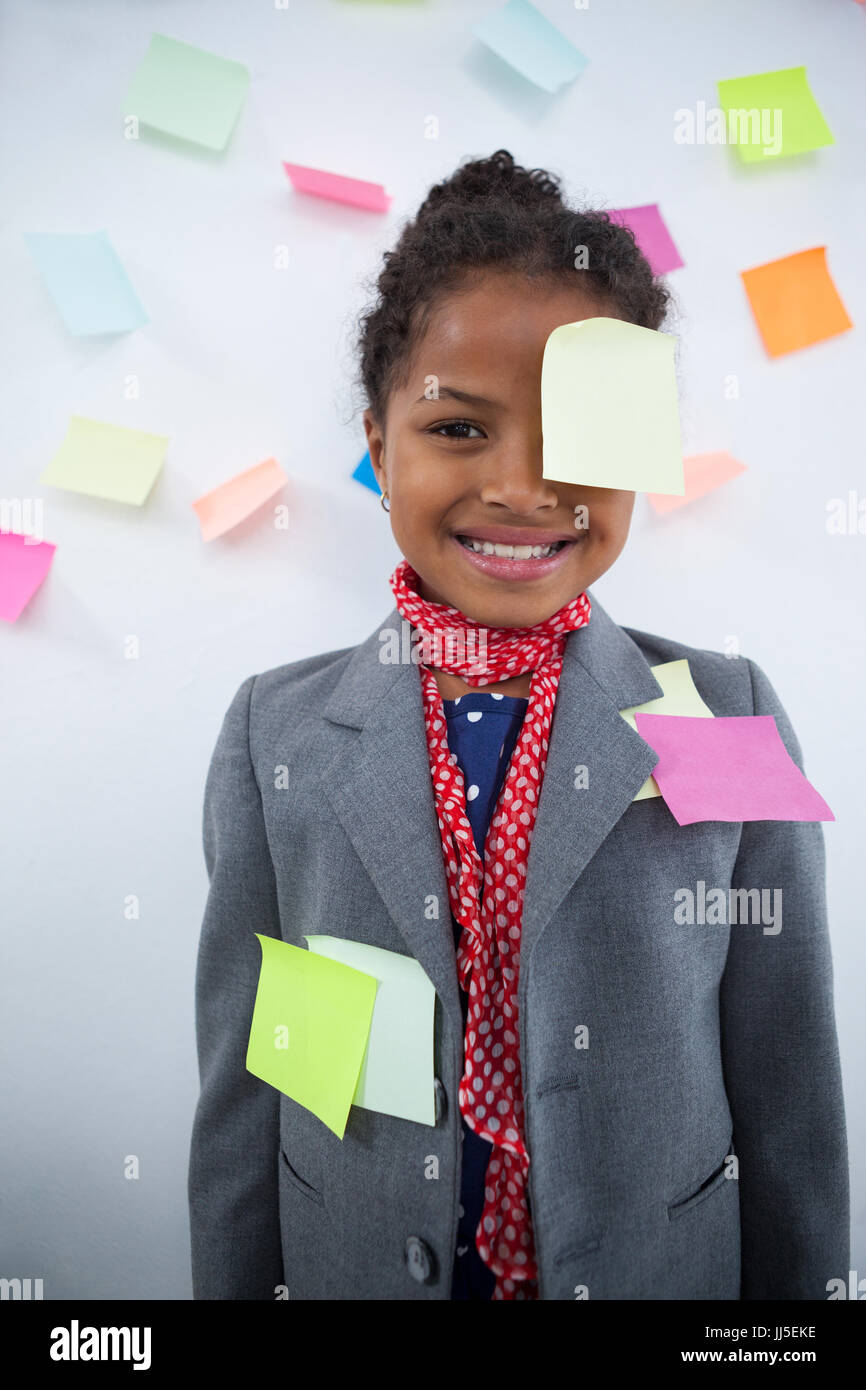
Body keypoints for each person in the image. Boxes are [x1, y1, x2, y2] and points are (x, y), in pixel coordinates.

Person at [188, 149, 849, 1300]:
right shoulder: (273, 737)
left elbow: (787, 1086)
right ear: (377, 444)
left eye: (580, 434)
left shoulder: (727, 710)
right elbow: (249, 1107)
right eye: (457, 430)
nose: (523, 487)